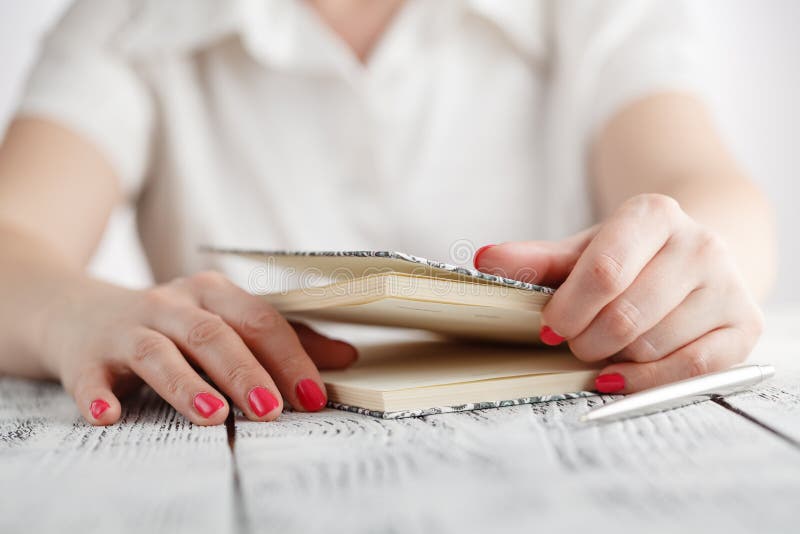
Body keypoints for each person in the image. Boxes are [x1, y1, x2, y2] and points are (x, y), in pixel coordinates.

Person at [0, 0, 775, 426]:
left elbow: (703, 187)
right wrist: (73, 311)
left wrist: (697, 266)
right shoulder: (126, 19)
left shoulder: (595, 12)